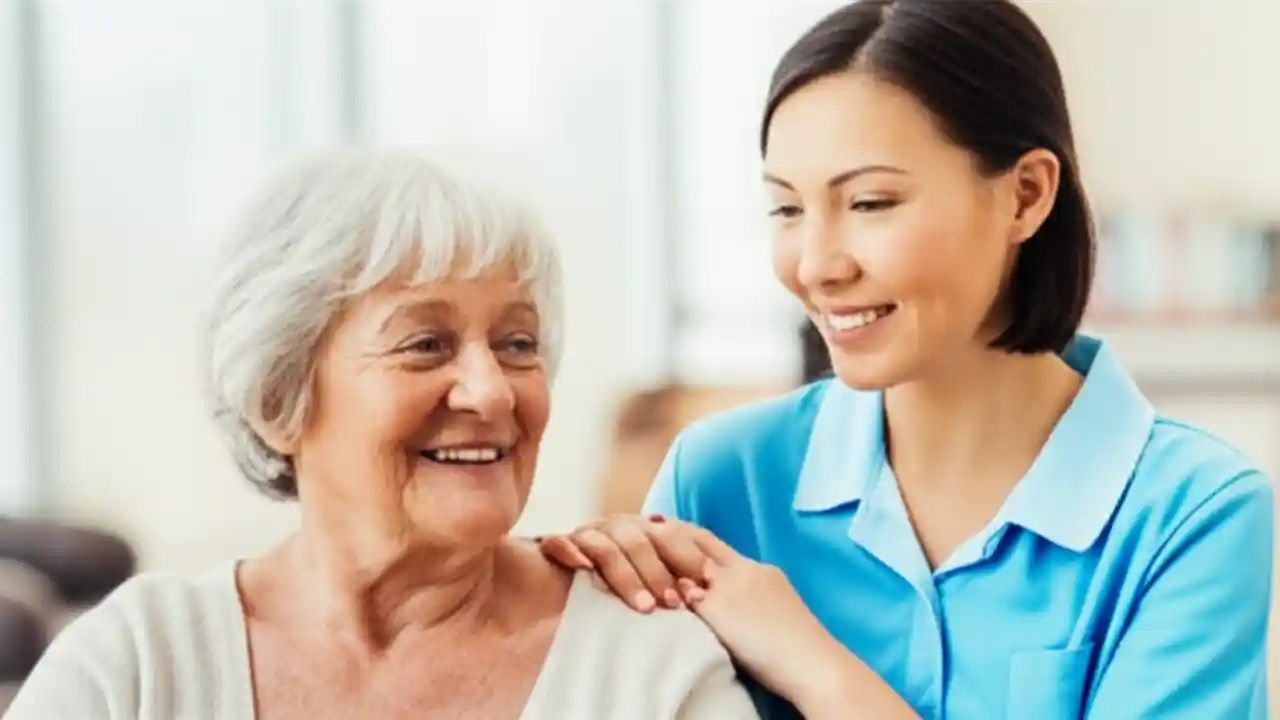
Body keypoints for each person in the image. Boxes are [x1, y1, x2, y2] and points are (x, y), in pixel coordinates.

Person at [541, 2, 1275, 718]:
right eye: (788, 209)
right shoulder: (721, 479)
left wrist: (812, 664)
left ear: (1026, 195)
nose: (817, 265)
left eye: (869, 203)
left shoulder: (1193, 515)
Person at [6, 149, 757, 719]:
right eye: (426, 344)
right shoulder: (140, 662)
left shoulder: (645, 667)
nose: (491, 390)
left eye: (517, 344)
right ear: (279, 397)